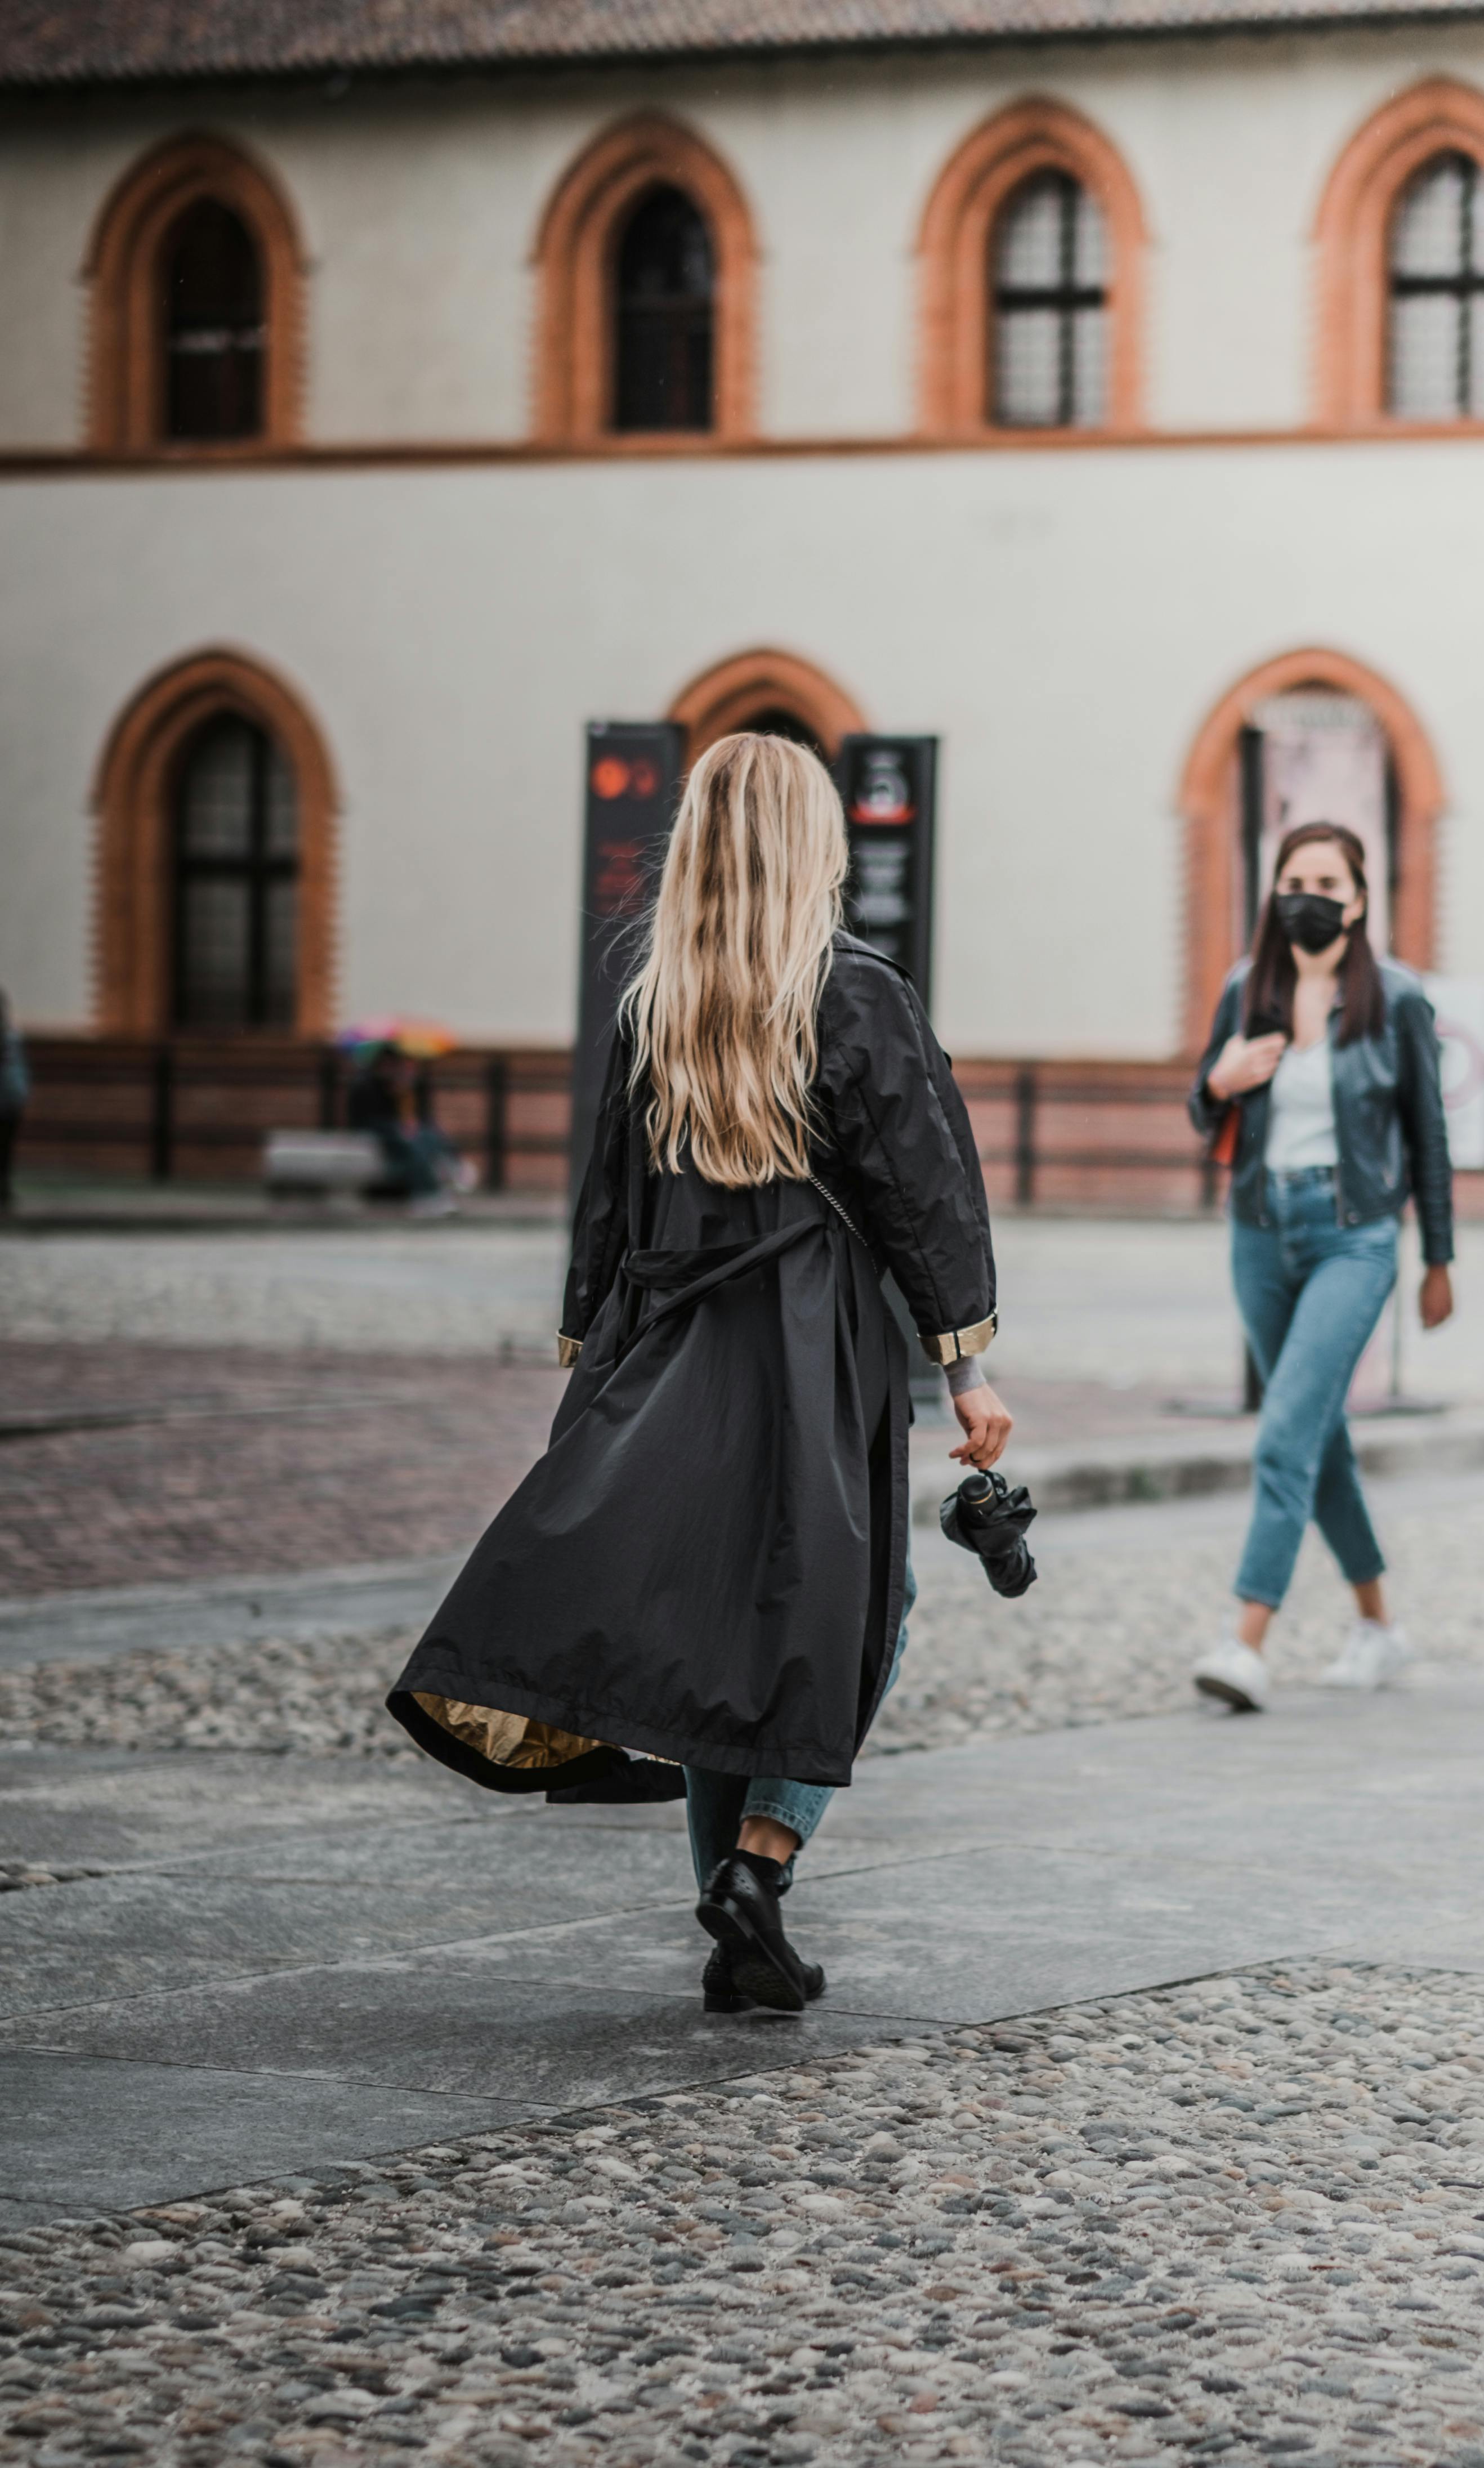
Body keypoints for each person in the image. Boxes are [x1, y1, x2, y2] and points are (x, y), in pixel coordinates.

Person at [388, 733, 1011, 2010]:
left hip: (671, 1337)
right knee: (858, 1603)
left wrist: (585, 1372)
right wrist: (966, 1368)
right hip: (808, 1341)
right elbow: (921, 1192)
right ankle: (761, 1865)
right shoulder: (855, 992)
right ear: (808, 844)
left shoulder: (654, 1000)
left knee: (719, 1625)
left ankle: (738, 1929)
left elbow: (604, 1211)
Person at [1188, 820, 1454, 1711]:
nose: (1310, 895)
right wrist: (1220, 1082)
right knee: (1318, 1437)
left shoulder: (1398, 999)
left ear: (1359, 898)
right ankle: (1379, 1627)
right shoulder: (1245, 988)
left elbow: (1428, 1134)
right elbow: (1204, 1108)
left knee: (1283, 1433)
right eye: (1295, 879)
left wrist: (1439, 1260)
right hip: (1260, 1231)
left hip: (1357, 1236)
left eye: (1328, 882)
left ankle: (1245, 1641)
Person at [345, 1041, 471, 1217]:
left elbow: (416, 1117)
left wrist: (404, 1103)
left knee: (428, 1135)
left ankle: (453, 1166)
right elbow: (370, 1120)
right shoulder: (366, 1084)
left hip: (399, 1133)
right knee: (414, 1148)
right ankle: (428, 1195)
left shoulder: (400, 1086)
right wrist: (400, 1126)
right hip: (377, 1135)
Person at [0, 988, 29, 1213]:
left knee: (6, 1149)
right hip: (12, 1099)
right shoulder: (12, 1038)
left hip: (10, 1100)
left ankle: (4, 1189)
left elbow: (19, 1071)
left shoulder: (11, 1038)